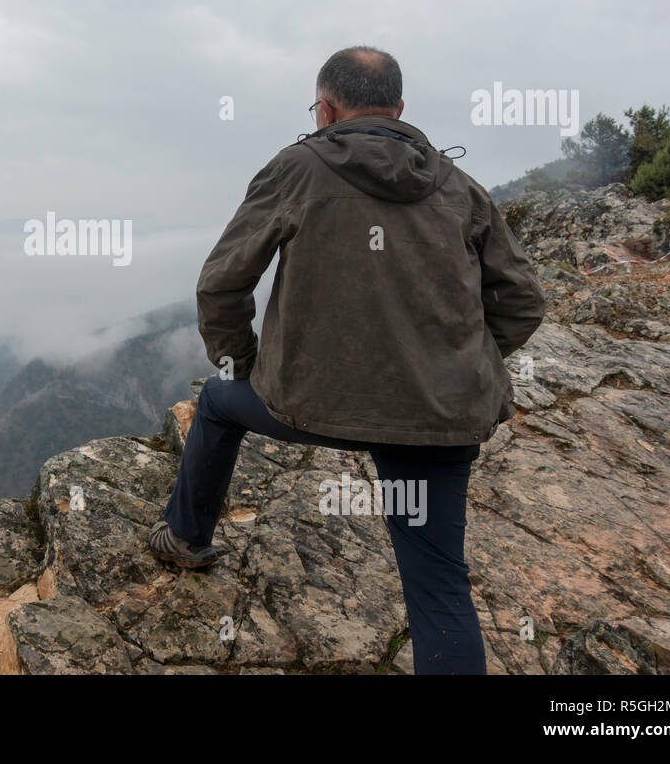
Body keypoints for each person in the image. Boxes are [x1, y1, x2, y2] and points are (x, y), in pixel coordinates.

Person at [149, 46, 546, 674]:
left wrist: (248, 365)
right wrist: (456, 365)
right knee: (440, 587)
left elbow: (222, 285)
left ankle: (188, 539)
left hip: (309, 405)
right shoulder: (458, 187)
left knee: (220, 402)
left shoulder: (297, 170)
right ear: (400, 109)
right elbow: (522, 300)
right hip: (436, 417)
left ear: (327, 109)